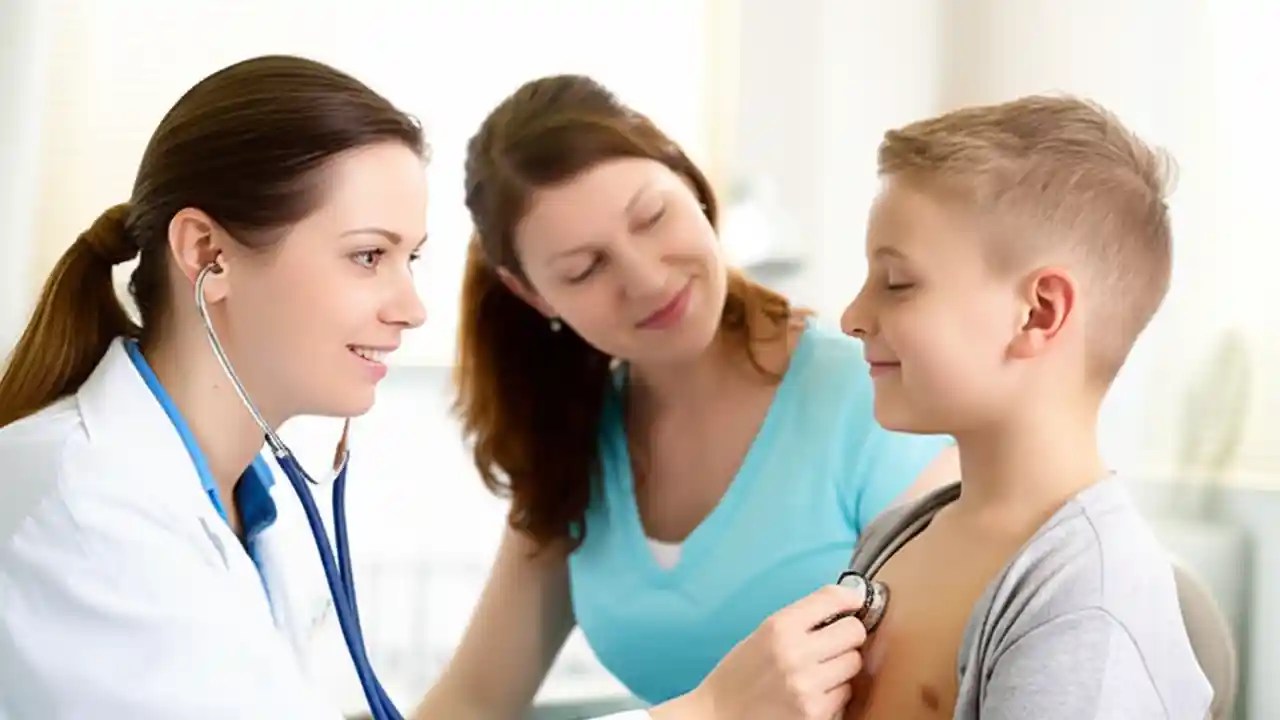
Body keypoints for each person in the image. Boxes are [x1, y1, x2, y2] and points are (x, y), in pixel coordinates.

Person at [0, 56, 899, 720]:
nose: (411, 306)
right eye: (367, 257)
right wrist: (705, 714)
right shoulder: (83, 512)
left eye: (411, 258)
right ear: (207, 255)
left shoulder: (244, 513)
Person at [416, 74, 958, 719]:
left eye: (652, 217)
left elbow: (940, 693)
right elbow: (473, 701)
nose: (646, 280)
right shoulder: (572, 442)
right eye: (585, 269)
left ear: (692, 185)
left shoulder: (870, 396)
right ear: (533, 295)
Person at [836, 96, 1213, 718]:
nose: (852, 316)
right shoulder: (893, 539)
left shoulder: (1089, 602)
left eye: (897, 282)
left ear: (1038, 313)